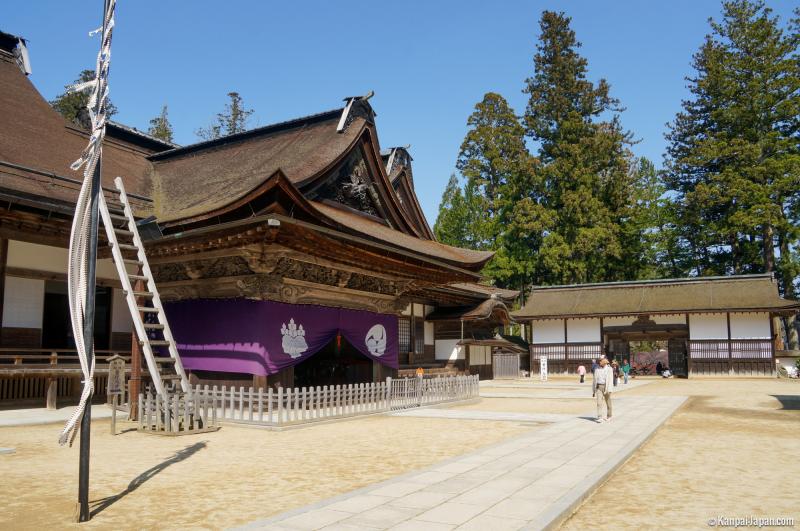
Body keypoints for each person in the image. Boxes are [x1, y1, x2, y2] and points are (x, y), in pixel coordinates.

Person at [593, 357, 615, 422]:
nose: (599, 362)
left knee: (608, 402)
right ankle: (600, 417)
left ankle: (609, 416)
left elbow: (611, 380)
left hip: (606, 387)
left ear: (604, 362)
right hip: (598, 387)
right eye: (599, 361)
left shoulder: (609, 369)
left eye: (600, 361)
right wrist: (593, 390)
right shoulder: (597, 369)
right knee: (599, 402)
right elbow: (594, 380)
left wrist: (610, 389)